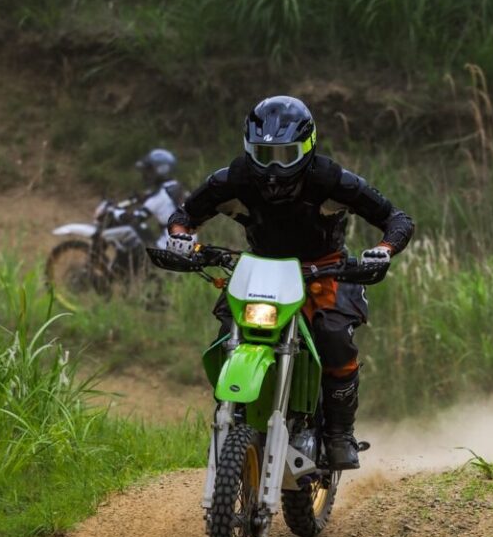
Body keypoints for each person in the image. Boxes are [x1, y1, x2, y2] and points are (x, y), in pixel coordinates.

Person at [164, 96, 414, 470]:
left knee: (333, 336)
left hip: (324, 269)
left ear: (307, 147)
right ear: (250, 150)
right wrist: (181, 238)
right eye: (264, 155)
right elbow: (185, 214)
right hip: (260, 271)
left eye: (284, 155)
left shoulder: (330, 179)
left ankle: (339, 435)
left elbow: (396, 218)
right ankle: (233, 413)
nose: (273, 168)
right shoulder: (234, 178)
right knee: (229, 330)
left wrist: (382, 249)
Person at [114, 148, 185, 248]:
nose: (146, 174)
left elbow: (136, 218)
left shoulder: (159, 195)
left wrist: (117, 213)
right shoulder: (175, 187)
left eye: (150, 170)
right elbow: (149, 196)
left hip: (169, 247)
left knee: (133, 240)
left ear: (161, 170)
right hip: (185, 242)